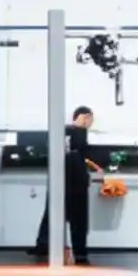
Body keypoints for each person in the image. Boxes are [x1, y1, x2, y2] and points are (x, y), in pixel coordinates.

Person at [28, 106, 101, 264]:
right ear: (84, 117)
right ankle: (79, 252)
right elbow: (78, 152)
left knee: (53, 215)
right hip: (73, 183)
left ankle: (45, 245)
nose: (91, 123)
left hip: (63, 180)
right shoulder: (74, 134)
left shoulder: (64, 134)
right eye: (90, 119)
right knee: (77, 220)